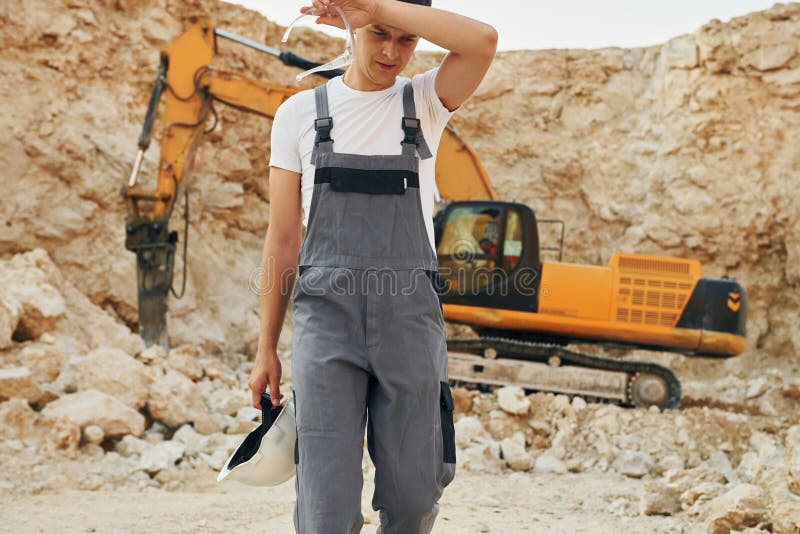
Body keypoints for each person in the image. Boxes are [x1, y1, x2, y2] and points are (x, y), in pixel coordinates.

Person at [249, 0, 497, 532]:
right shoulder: (299, 114)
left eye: (406, 39)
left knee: (412, 499)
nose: (391, 52)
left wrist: (378, 6)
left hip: (409, 322)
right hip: (326, 324)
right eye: (378, 34)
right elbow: (283, 238)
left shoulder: (427, 103)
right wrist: (266, 345)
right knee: (326, 509)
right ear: (352, 28)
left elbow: (482, 41)